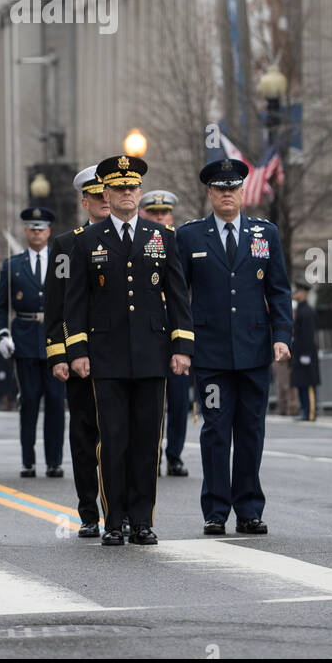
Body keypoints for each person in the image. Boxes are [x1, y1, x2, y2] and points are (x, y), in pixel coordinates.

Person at [64, 154, 194, 546]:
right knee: (113, 440)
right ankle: (113, 520)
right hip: (106, 356)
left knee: (146, 442)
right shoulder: (87, 241)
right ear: (106, 192)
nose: (126, 193)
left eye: (132, 187)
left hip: (152, 354)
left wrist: (181, 346)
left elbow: (177, 298)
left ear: (140, 191)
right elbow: (75, 303)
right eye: (119, 188)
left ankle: (142, 520)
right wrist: (78, 350)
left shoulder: (162, 237)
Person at [177, 155, 292, 536]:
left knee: (250, 430)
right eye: (220, 189)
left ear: (243, 192)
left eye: (233, 189)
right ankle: (215, 510)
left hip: (254, 351)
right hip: (210, 354)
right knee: (215, 430)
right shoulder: (190, 236)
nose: (227, 195)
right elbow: (179, 295)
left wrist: (282, 337)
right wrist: (181, 342)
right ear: (210, 193)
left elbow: (278, 290)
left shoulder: (265, 234)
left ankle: (249, 509)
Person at [44, 165, 110, 537]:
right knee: (85, 437)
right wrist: (58, 354)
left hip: (120, 355)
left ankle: (117, 509)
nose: (104, 201)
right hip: (81, 356)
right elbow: (56, 306)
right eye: (97, 196)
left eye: (108, 194)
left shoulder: (129, 241)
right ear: (85, 201)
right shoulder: (68, 244)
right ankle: (88, 511)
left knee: (120, 437)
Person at [0, 206, 66, 478]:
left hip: (56, 339)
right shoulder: (13, 264)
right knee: (29, 402)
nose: (36, 232)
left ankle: (54, 461)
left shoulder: (62, 261)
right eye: (32, 228)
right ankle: (28, 460)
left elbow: (71, 300)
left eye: (41, 228)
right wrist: (2, 333)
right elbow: (1, 305)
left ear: (49, 231)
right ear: (25, 231)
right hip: (24, 340)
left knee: (56, 403)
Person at [141, 189, 190, 476]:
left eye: (164, 213)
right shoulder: (143, 239)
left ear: (171, 215)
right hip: (151, 329)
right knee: (153, 399)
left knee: (180, 398)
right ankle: (154, 451)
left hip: (177, 327)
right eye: (154, 213)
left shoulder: (180, 241)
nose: (160, 218)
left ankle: (175, 454)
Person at [290, 285, 320, 421]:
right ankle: (304, 410)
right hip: (299, 352)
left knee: (308, 384)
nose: (294, 294)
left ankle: (310, 412)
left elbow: (308, 334)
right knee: (301, 383)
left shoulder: (307, 311)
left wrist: (306, 354)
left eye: (297, 292)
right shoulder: (300, 310)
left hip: (305, 353)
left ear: (303, 293)